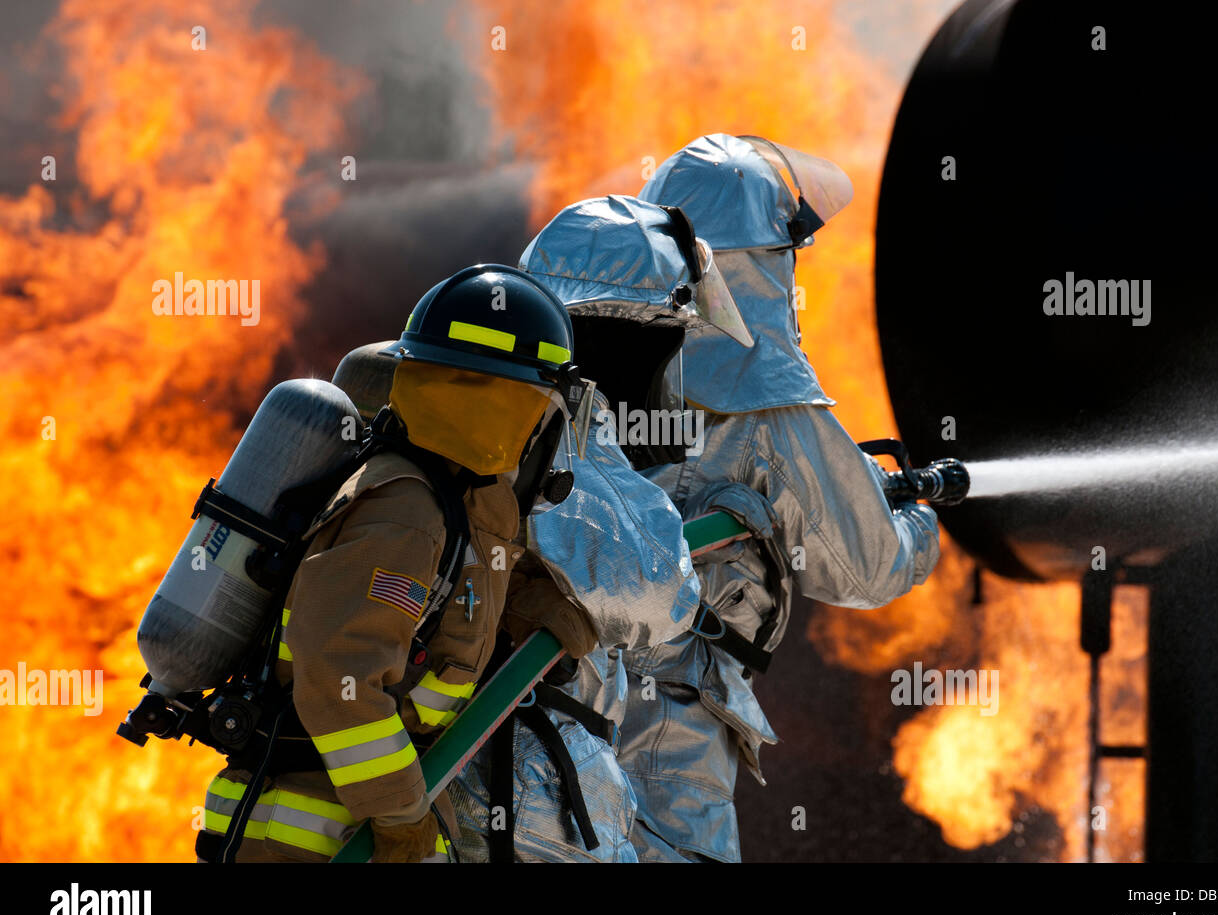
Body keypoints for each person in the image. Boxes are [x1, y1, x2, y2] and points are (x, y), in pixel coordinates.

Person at [197, 264, 598, 862]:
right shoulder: (404, 508)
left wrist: (528, 608)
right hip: (303, 830)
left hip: (352, 816)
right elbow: (339, 672)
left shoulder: (462, 495)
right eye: (540, 400)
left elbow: (447, 600)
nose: (542, 423)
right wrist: (401, 816)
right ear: (503, 398)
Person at [615, 134, 942, 862]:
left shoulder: (594, 349)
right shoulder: (771, 403)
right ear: (762, 264)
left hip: (556, 711)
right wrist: (919, 524)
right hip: (667, 726)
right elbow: (867, 566)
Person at [446, 194, 753, 861]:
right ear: (636, 339)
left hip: (452, 764)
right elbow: (657, 596)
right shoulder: (563, 429)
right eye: (671, 340)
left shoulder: (457, 399)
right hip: (526, 779)